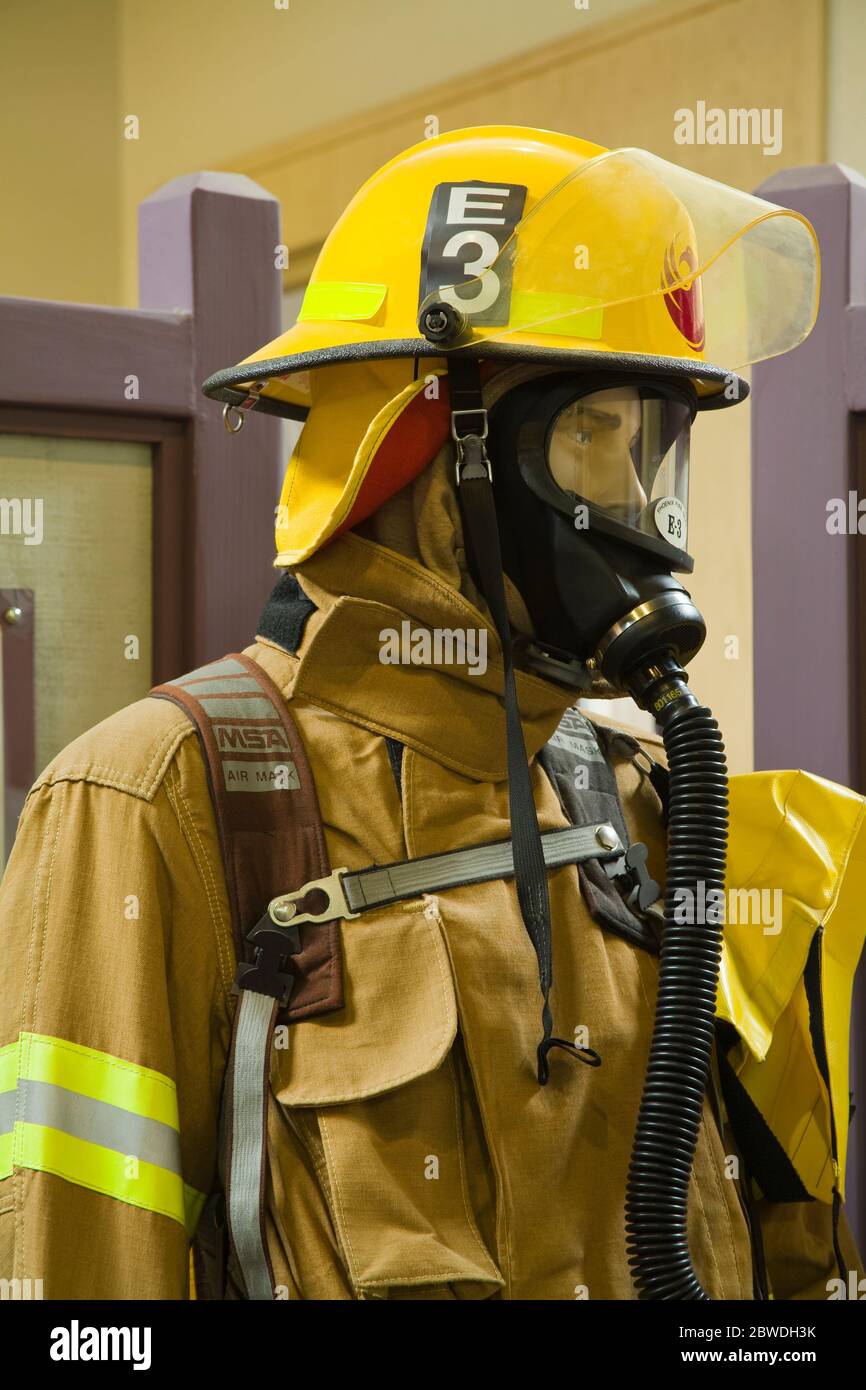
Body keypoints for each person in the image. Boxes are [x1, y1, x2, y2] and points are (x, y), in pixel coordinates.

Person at [0, 126, 861, 1300]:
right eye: (591, 432)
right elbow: (88, 1293)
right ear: (427, 448)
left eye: (650, 446)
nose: (638, 507)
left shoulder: (643, 805)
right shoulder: (159, 798)